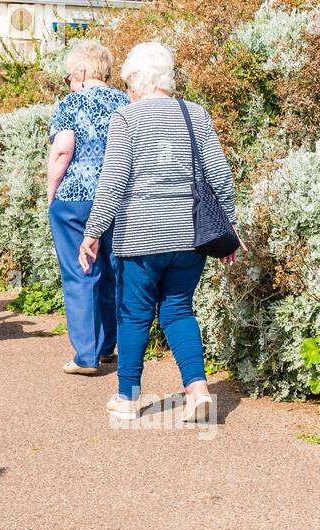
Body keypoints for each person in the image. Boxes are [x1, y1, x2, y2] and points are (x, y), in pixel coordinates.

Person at [80, 41, 240, 424]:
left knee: (134, 314)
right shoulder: (194, 113)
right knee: (178, 310)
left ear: (137, 79)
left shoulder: (126, 118)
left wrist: (93, 231)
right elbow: (220, 174)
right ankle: (198, 389)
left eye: (128, 83)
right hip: (191, 236)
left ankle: (128, 397)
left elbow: (114, 180)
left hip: (141, 235)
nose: (128, 92)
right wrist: (230, 225)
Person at [47, 41, 129, 378]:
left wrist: (51, 193)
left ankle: (85, 354)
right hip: (117, 198)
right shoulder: (127, 103)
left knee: (80, 272)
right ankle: (108, 346)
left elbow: (62, 152)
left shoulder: (71, 102)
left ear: (81, 73)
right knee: (112, 271)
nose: (68, 82)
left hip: (76, 198)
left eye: (68, 77)